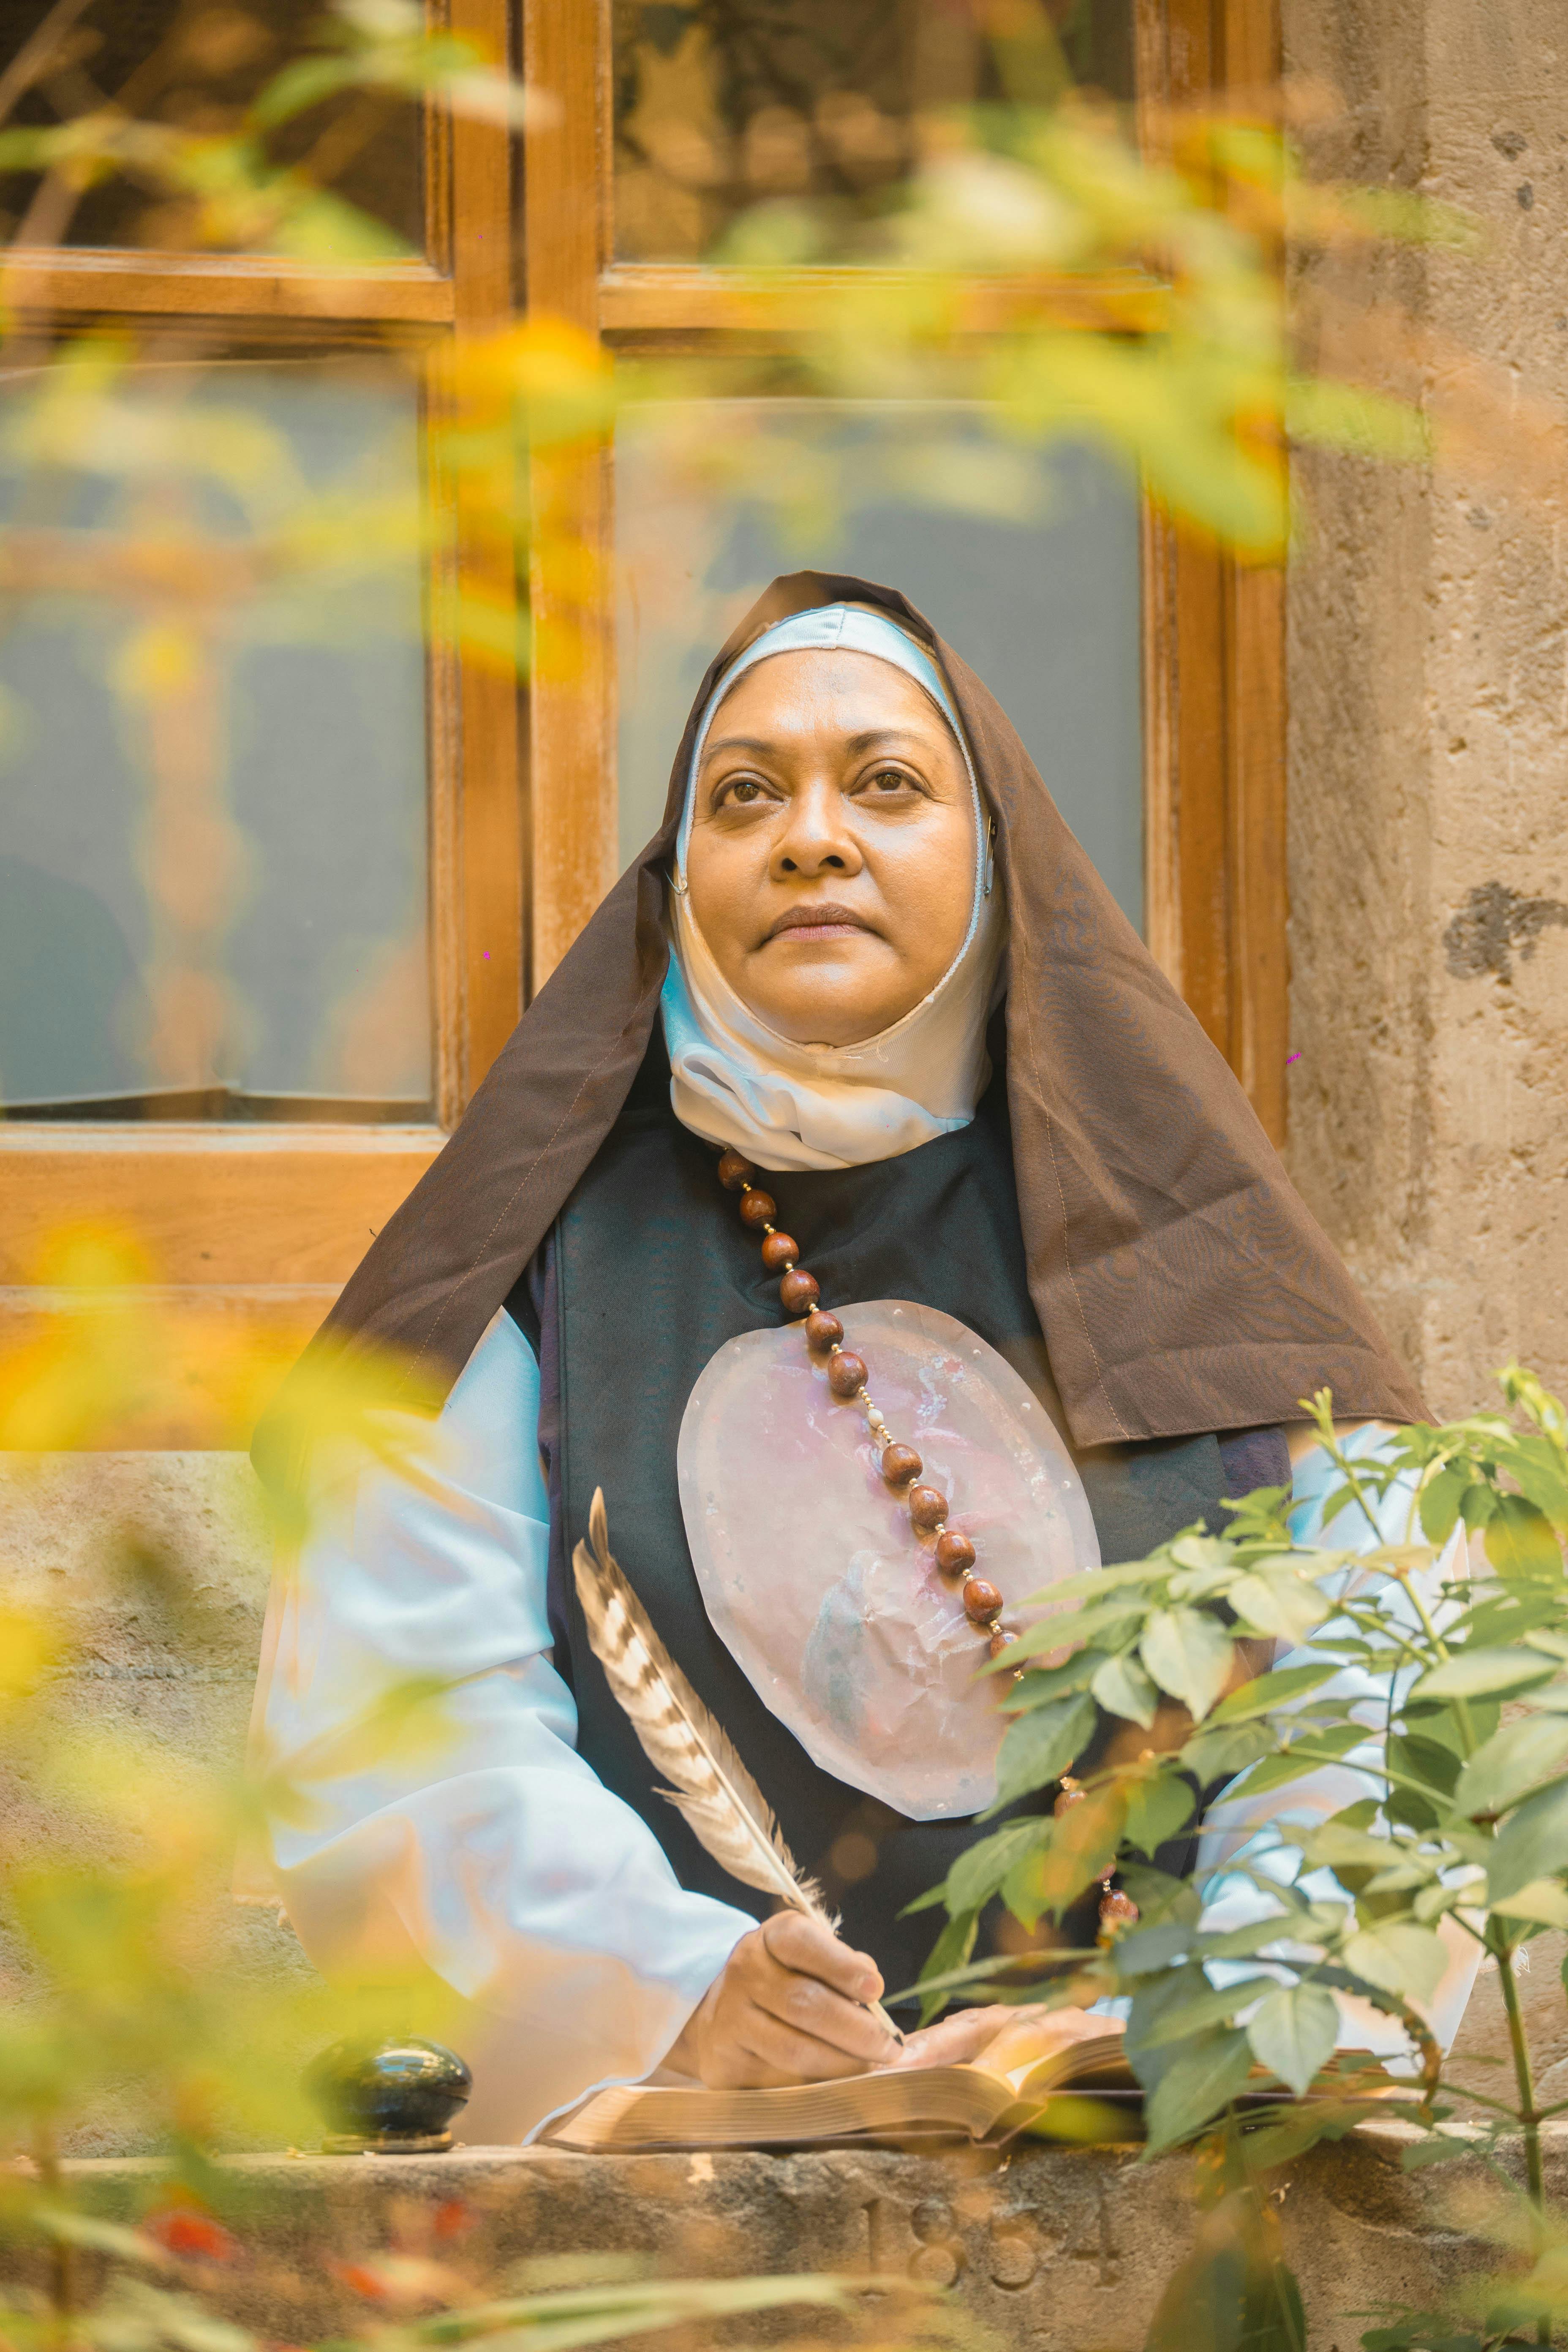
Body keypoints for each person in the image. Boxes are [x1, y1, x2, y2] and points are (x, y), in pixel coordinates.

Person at [243, 576, 1471, 2143]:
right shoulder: (526, 1275)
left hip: (1190, 2173)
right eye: (745, 795)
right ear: (681, 875)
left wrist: (1226, 2002)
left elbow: (1387, 1688)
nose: (811, 838)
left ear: (997, 857)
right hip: (699, 2189)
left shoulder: (1194, 1255)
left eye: (886, 784)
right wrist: (676, 1990)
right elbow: (401, 1727)